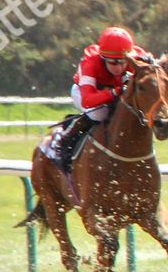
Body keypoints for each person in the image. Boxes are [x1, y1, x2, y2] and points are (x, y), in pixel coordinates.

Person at [53, 26, 141, 171]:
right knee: (99, 113)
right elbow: (88, 100)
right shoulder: (91, 64)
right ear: (103, 59)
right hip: (86, 92)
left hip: (113, 89)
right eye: (113, 63)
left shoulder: (136, 55)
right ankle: (66, 141)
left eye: (123, 62)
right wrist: (116, 91)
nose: (119, 68)